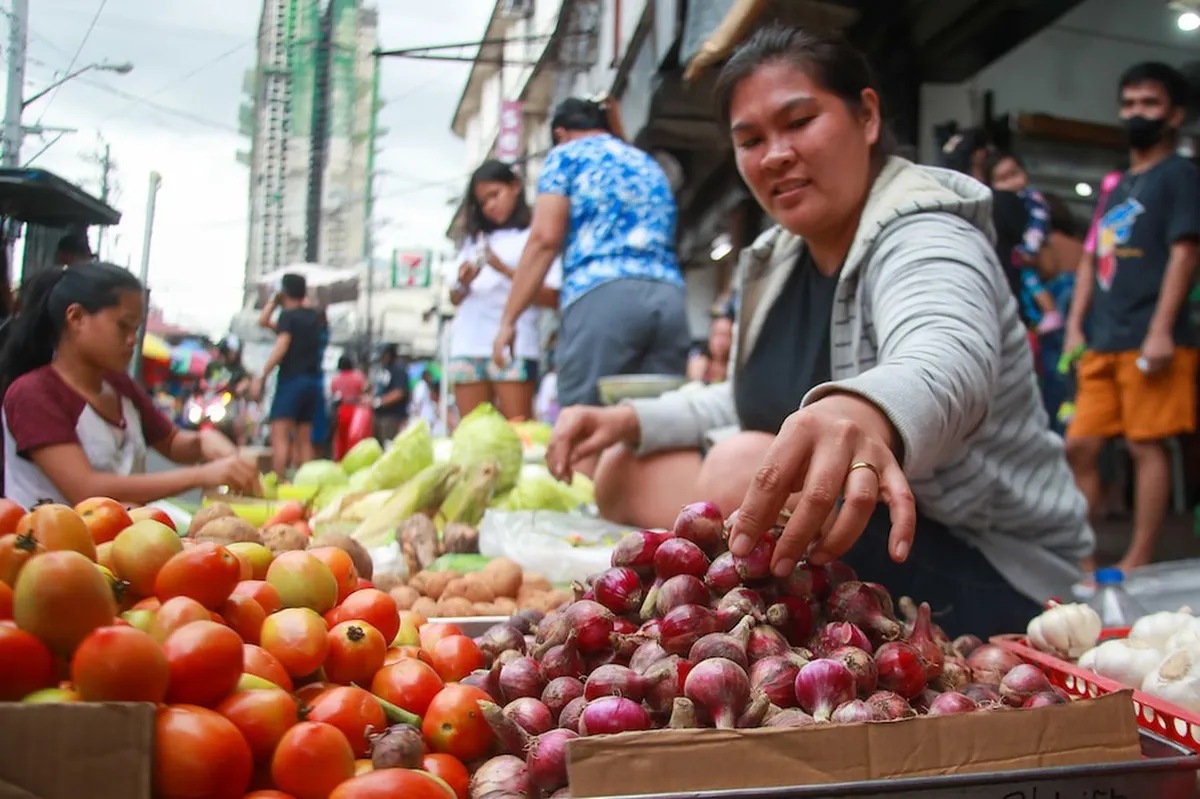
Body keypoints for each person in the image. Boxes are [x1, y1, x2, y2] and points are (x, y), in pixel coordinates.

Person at [544, 25, 1092, 638]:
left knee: (740, 465)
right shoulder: (774, 261)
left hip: (986, 564)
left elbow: (946, 357)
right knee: (621, 466)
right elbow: (747, 394)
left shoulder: (929, 231)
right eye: (750, 139)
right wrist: (633, 420)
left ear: (866, 116)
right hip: (845, 531)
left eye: (799, 121)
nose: (775, 153)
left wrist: (864, 409)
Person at [1064, 61, 1200, 574]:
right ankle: (1081, 557)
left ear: (1174, 114)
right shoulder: (1115, 184)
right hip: (1102, 336)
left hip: (1153, 337)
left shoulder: (1181, 175)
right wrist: (1077, 324)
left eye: (1150, 104)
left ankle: (1139, 556)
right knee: (1080, 444)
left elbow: (1185, 252)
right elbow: (1089, 257)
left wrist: (1162, 329)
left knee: (1146, 445)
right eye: (1130, 104)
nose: (1137, 113)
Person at [0, 263, 259, 507]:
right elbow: (86, 490)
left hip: (118, 544)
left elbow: (170, 441)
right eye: (123, 326)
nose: (132, 340)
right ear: (76, 317)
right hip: (46, 549)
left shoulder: (119, 385)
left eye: (135, 329)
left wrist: (203, 441)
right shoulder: (33, 393)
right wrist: (203, 475)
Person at [492, 96, 691, 409]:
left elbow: (544, 238)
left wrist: (508, 320)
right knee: (654, 427)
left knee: (584, 426)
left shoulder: (566, 156)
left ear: (560, 133)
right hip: (669, 300)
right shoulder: (646, 162)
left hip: (602, 297)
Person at [450, 160, 561, 420]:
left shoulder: (536, 237)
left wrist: (505, 270)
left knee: (518, 429)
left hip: (517, 345)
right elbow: (454, 298)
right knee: (471, 433)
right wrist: (464, 282)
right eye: (483, 202)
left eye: (494, 195)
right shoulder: (473, 240)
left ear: (514, 187)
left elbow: (551, 296)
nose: (490, 206)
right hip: (468, 344)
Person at [254, 273, 327, 476]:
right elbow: (266, 323)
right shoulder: (314, 318)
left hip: (291, 381)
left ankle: (279, 484)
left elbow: (281, 342)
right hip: (313, 384)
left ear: (283, 292)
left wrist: (263, 374)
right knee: (305, 441)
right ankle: (305, 488)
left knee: (281, 436)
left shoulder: (288, 316)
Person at [984, 150, 1063, 333]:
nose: (1012, 183)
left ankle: (1049, 312)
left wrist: (1031, 251)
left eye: (1015, 173)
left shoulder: (1030, 201)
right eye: (1003, 179)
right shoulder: (1019, 202)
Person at [330, 354, 368, 461]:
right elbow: (365, 389)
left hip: (342, 410)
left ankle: (340, 460)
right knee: (356, 437)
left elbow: (333, 392)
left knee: (341, 438)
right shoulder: (358, 376)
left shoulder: (336, 379)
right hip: (357, 411)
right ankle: (354, 459)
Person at [371, 344, 410, 442]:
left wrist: (379, 401)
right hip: (379, 416)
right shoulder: (381, 370)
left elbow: (399, 392)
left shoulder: (399, 370)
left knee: (389, 444)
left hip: (392, 417)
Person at [686, 312, 734, 384]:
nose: (721, 342)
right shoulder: (699, 363)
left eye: (726, 335)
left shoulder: (735, 369)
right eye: (717, 334)